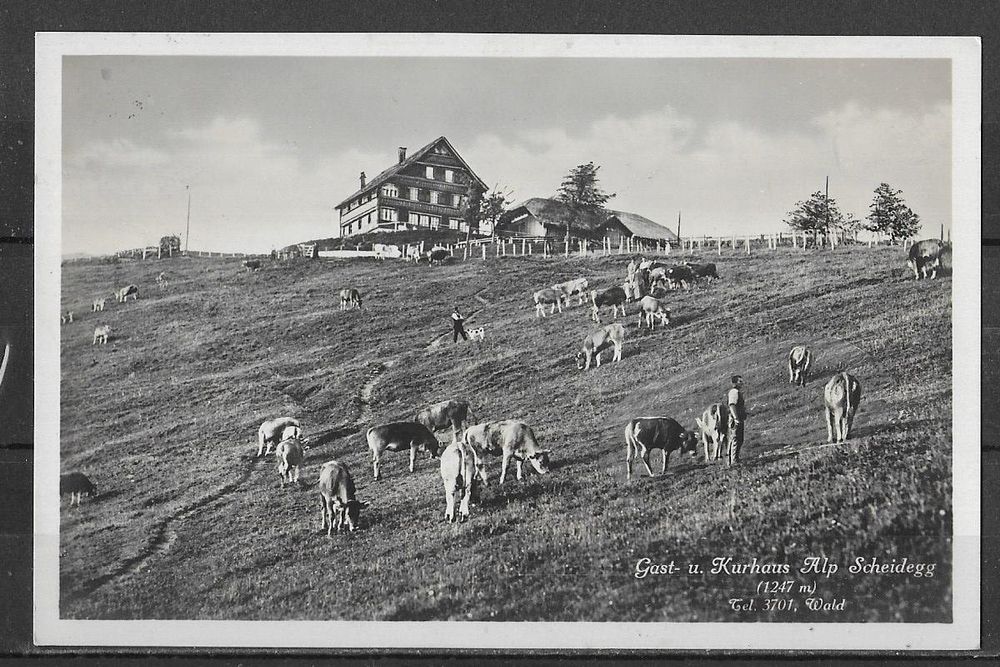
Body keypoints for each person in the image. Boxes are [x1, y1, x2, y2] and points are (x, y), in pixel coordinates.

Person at [726, 374, 746, 465]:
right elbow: (732, 405)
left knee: (739, 439)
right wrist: (736, 418)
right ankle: (732, 461)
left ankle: (735, 459)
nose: (742, 383)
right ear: (735, 383)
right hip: (735, 419)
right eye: (740, 381)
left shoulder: (737, 392)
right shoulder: (734, 392)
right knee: (735, 439)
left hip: (739, 418)